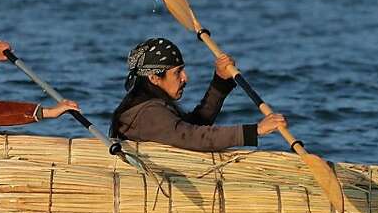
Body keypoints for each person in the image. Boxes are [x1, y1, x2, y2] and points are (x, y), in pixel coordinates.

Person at [109, 37, 285, 152]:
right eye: (178, 72)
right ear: (154, 78)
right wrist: (255, 131)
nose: (185, 78)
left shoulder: (152, 106)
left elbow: (194, 126)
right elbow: (193, 137)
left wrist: (221, 81)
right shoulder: (148, 113)